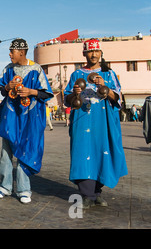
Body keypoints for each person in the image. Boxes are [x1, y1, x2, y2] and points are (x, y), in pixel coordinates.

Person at [64, 38, 128, 209]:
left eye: (97, 51)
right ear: (84, 53)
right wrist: (75, 93)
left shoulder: (109, 74)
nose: (93, 54)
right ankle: (86, 194)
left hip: (103, 121)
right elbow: (67, 98)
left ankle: (97, 192)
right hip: (82, 122)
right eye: (90, 51)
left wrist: (104, 85)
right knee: (82, 153)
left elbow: (118, 98)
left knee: (102, 152)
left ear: (101, 53)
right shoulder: (76, 75)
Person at [0, 38, 53, 204]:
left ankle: (24, 190)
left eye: (12, 52)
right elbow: (1, 90)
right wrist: (7, 87)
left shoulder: (36, 69)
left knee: (25, 152)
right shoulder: (8, 69)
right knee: (6, 153)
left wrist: (31, 91)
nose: (10, 54)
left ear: (21, 52)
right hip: (11, 118)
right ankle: (4, 187)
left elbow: (46, 93)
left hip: (30, 119)